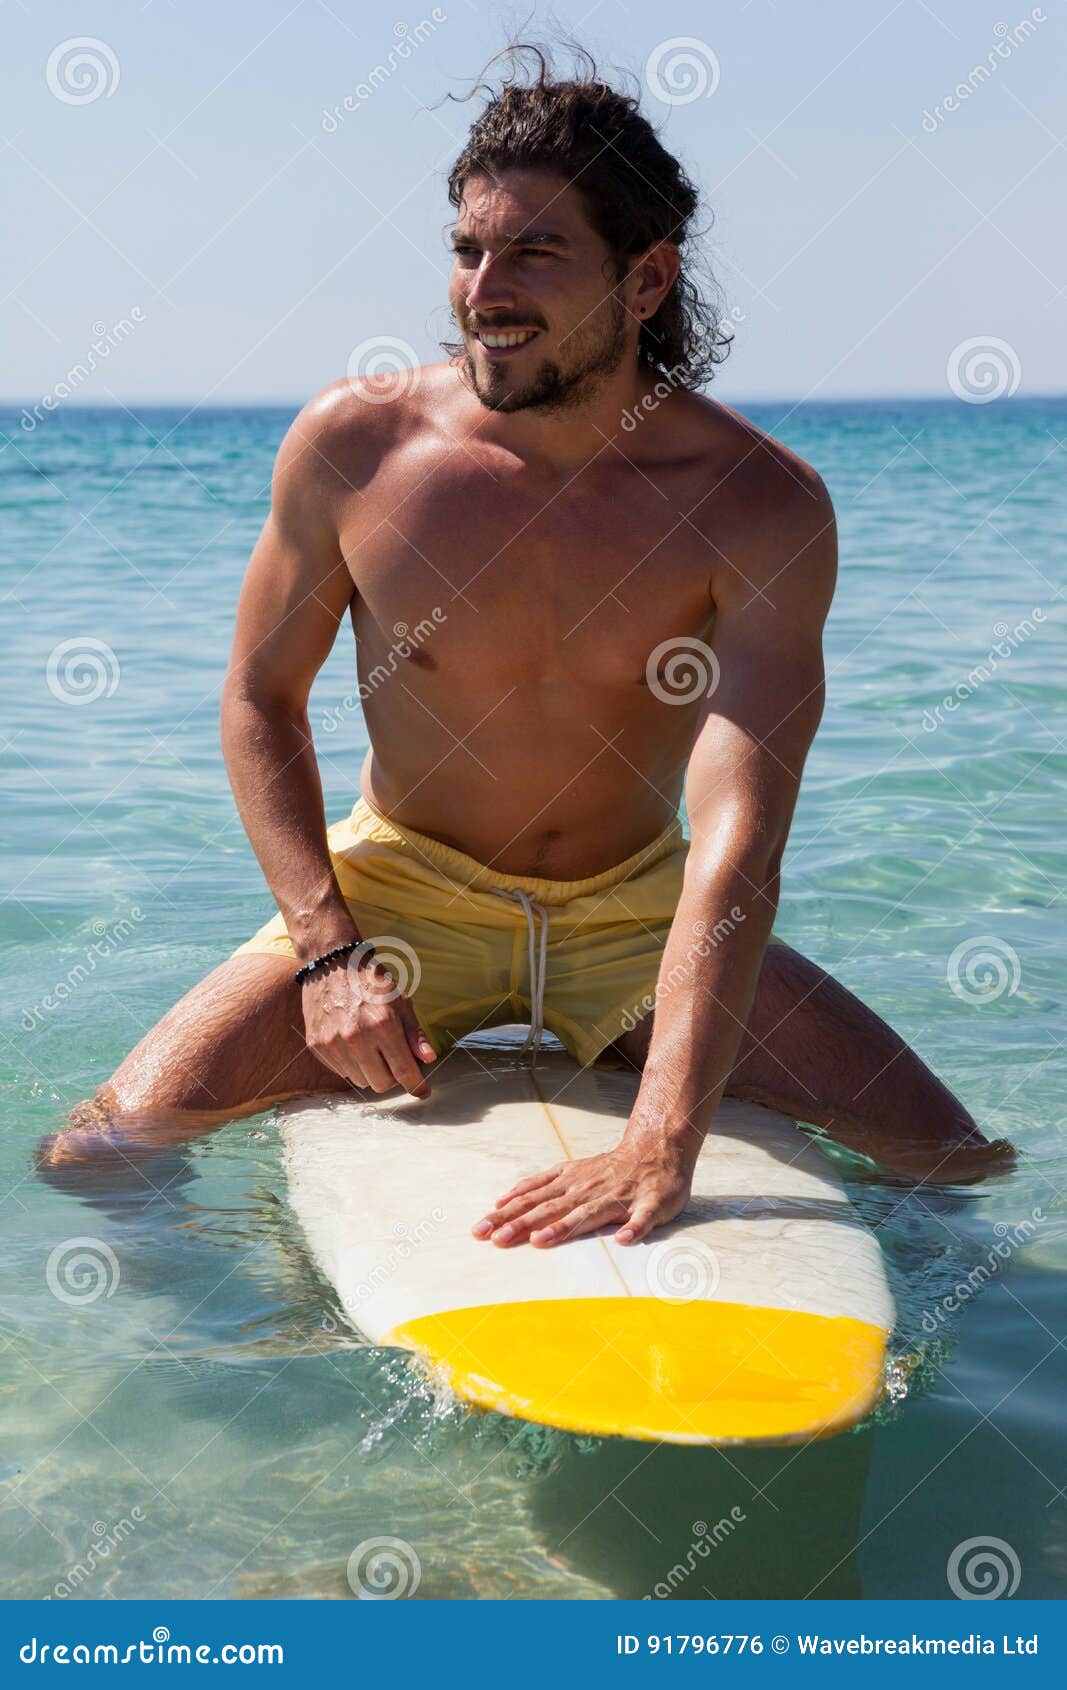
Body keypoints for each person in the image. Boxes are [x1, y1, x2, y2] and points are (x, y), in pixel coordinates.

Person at [39, 50, 1013, 1239]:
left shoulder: (758, 503)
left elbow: (741, 833)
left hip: (637, 912)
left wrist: (664, 1134)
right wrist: (326, 952)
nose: (483, 289)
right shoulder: (357, 449)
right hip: (403, 889)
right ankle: (250, 1351)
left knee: (953, 1162)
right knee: (97, 1151)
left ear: (645, 280)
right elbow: (258, 699)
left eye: (534, 253)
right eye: (466, 250)